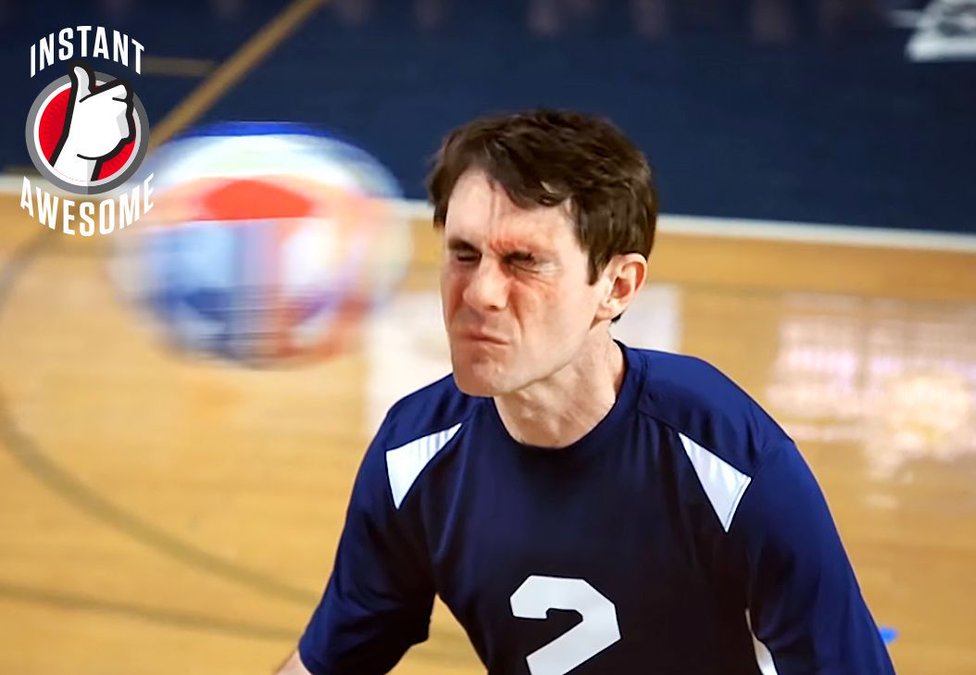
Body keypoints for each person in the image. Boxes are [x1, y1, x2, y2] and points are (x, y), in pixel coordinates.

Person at [275, 108, 895, 675]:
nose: (480, 293)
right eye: (463, 254)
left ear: (617, 288)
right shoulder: (413, 453)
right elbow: (332, 659)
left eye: (524, 261)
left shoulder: (727, 459)